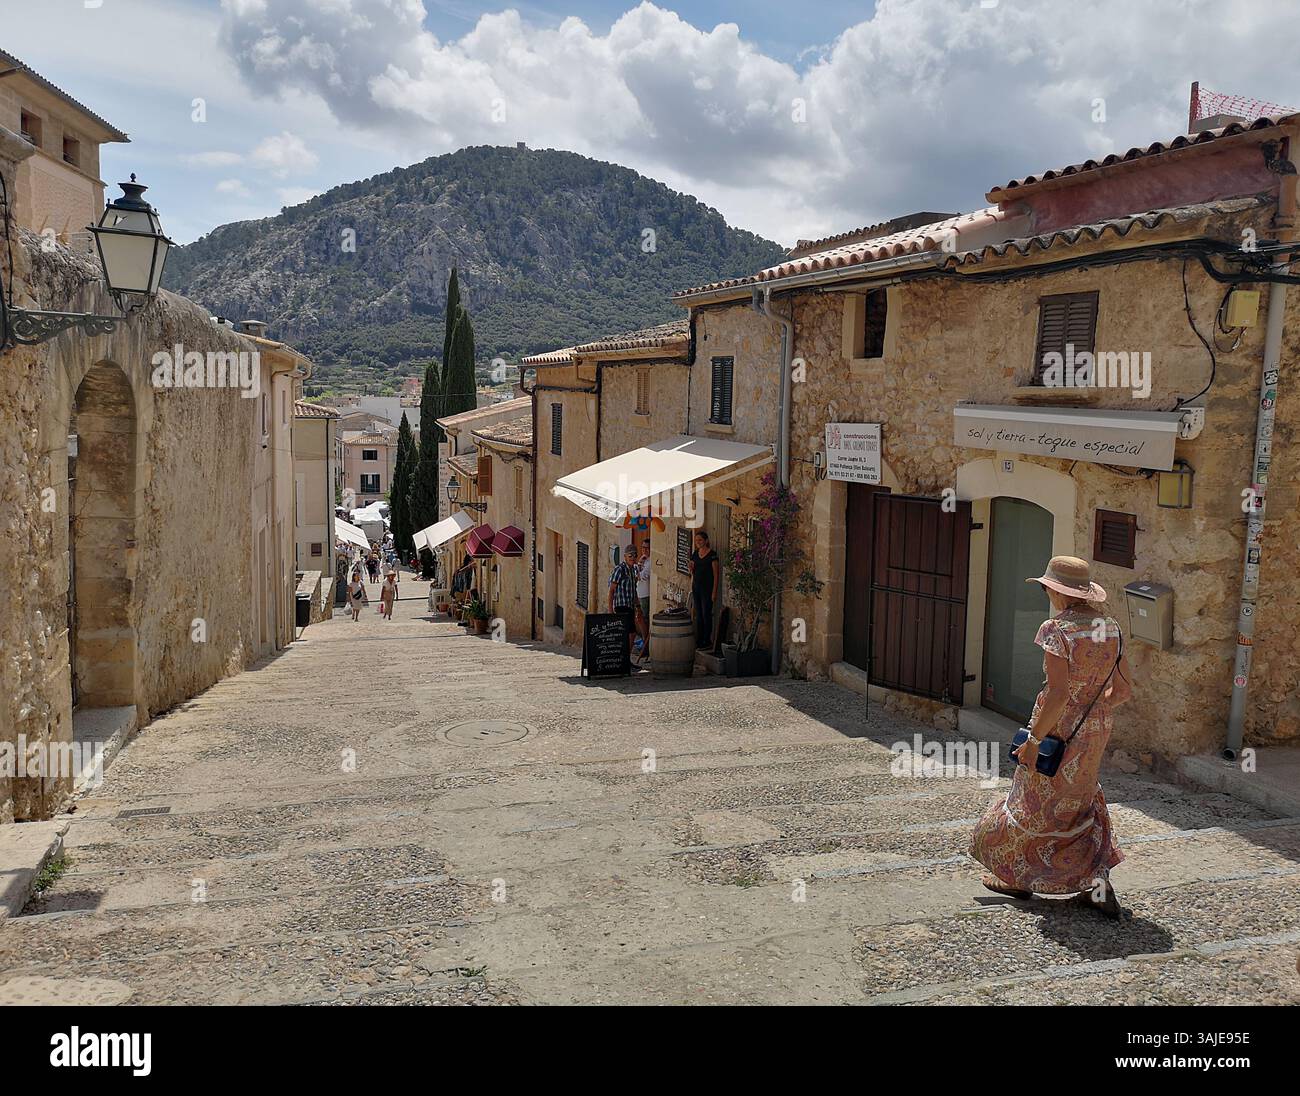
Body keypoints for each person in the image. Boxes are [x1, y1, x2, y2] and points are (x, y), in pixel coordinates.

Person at [970, 556, 1134, 917]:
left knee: (1032, 804)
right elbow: (1122, 690)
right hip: (1095, 730)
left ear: (1056, 592)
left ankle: (1017, 879)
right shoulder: (1111, 628)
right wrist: (1092, 707)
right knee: (1080, 803)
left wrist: (1033, 739)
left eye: (1046, 587)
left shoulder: (1055, 630)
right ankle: (1098, 885)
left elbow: (1058, 695)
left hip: (1059, 732)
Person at [688, 530, 720, 649]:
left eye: (700, 540)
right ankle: (699, 639)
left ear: (706, 541)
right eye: (696, 541)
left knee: (706, 614)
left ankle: (707, 640)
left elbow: (716, 575)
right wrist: (691, 568)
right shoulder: (695, 554)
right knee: (699, 614)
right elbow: (692, 569)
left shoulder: (712, 555)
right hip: (696, 587)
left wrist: (714, 592)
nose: (698, 542)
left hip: (707, 589)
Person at [608, 544, 640, 661]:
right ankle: (623, 660)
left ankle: (625, 659)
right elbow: (611, 590)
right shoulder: (619, 569)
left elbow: (634, 589)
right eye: (630, 555)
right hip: (621, 606)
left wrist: (638, 606)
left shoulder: (633, 570)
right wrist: (611, 610)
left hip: (630, 606)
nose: (633, 557)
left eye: (635, 555)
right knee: (629, 634)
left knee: (631, 634)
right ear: (625, 556)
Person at [635, 542, 652, 660]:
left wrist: (637, 567)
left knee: (644, 618)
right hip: (639, 593)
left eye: (647, 548)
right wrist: (640, 563)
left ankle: (645, 642)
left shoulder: (650, 562)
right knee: (639, 618)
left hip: (645, 594)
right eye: (643, 547)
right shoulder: (645, 560)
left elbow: (641, 576)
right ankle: (643, 639)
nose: (644, 550)